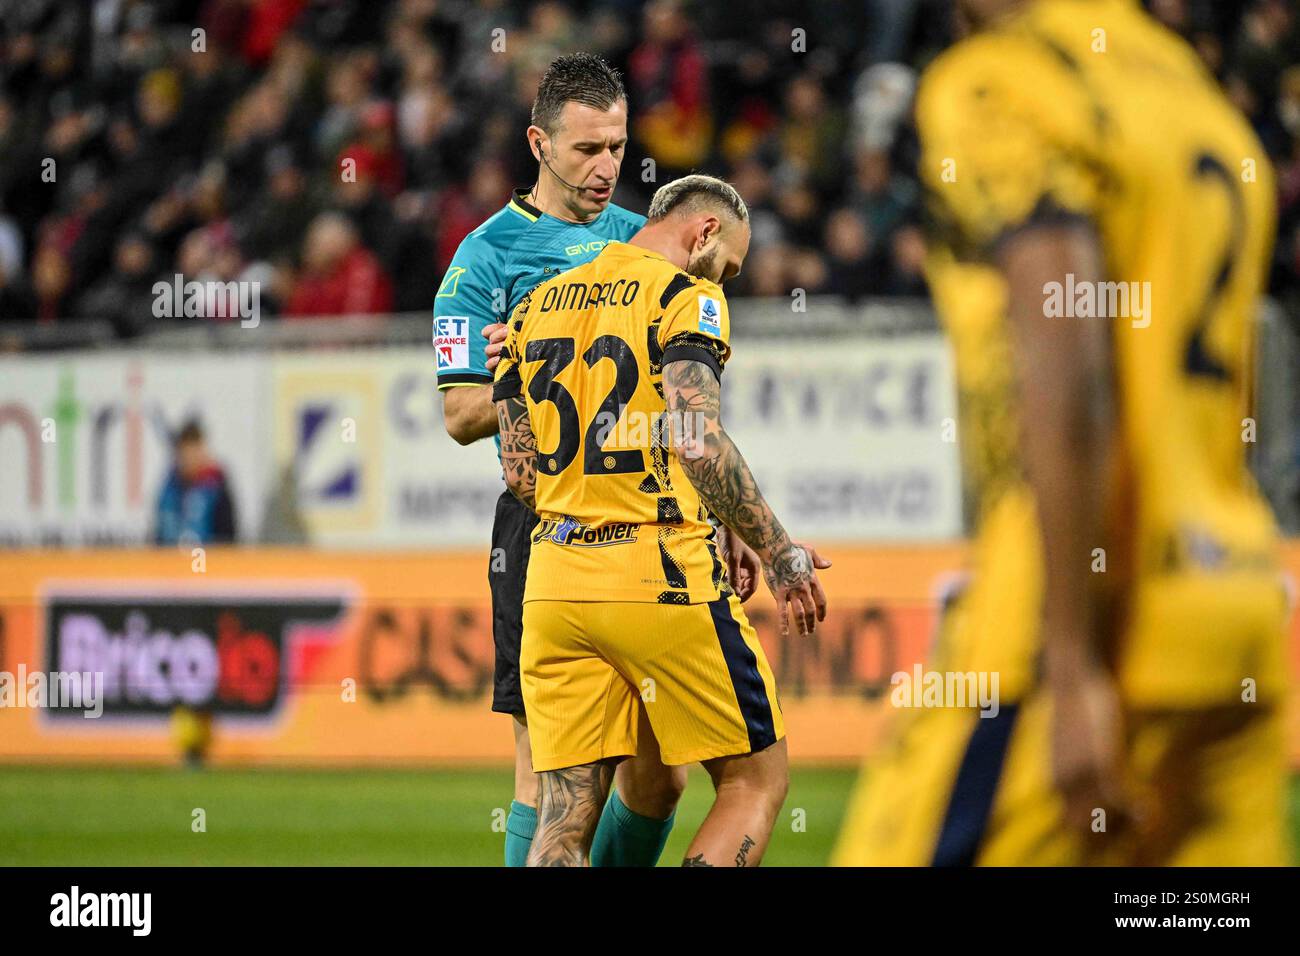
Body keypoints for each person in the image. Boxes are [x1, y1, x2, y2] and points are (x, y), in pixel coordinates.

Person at [834, 0, 1289, 866]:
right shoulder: (1194, 95)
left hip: (1068, 622)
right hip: (1232, 605)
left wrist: (1074, 662)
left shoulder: (1003, 82)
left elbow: (1067, 337)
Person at [434, 53, 760, 867]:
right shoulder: (483, 259)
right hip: (548, 520)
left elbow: (690, 399)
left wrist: (723, 513)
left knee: (661, 780)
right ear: (539, 143)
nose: (607, 167)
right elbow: (459, 412)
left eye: (616, 146)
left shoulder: (641, 238)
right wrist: (526, 378)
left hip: (659, 519)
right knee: (549, 779)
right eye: (587, 149)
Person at [492, 175, 830, 866]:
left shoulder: (533, 309)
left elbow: (521, 476)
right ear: (704, 232)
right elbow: (696, 441)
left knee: (563, 822)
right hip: (659, 575)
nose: (723, 283)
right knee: (754, 781)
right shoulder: (685, 297)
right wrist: (780, 553)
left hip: (553, 585)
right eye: (727, 267)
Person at [154, 419, 236, 546]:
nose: (190, 459)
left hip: (206, 557)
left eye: (194, 453)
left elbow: (227, 539)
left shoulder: (216, 489)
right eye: (186, 453)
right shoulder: (168, 490)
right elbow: (159, 533)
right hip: (172, 557)